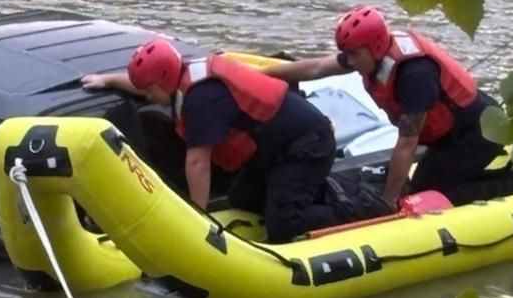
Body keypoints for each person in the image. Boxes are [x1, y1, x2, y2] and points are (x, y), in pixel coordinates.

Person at [263, 5, 513, 208]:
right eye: (346, 54)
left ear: (375, 48)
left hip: (477, 134)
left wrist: (387, 202)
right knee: (420, 180)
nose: (349, 61)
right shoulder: (370, 55)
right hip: (448, 136)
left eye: (354, 55)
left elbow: (407, 143)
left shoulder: (414, 76)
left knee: (427, 192)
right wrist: (263, 76)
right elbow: (316, 68)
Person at [82, 37, 340, 243]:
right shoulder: (182, 76)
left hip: (306, 144)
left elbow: (198, 163)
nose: (147, 96)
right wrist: (108, 79)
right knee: (241, 197)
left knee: (284, 225)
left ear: (164, 79)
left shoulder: (201, 100)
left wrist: (196, 219)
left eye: (149, 90)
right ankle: (305, 197)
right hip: (274, 147)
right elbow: (146, 85)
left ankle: (347, 210)